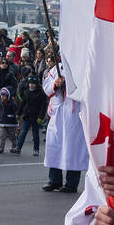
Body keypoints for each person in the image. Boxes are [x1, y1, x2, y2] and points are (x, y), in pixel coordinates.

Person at [43, 51, 87, 192]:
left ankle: (71, 183)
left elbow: (85, 88)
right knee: (55, 147)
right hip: (58, 114)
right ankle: (54, 180)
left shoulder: (82, 68)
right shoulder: (56, 69)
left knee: (72, 149)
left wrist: (67, 83)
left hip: (74, 115)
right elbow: (47, 88)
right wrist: (56, 84)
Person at [14, 75, 46, 156]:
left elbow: (43, 106)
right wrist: (19, 113)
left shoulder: (41, 93)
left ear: (37, 84)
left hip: (36, 117)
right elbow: (23, 103)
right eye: (30, 83)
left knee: (35, 134)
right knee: (23, 132)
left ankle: (36, 149)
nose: (31, 85)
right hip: (27, 115)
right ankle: (18, 147)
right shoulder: (27, 91)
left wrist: (41, 117)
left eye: (33, 83)